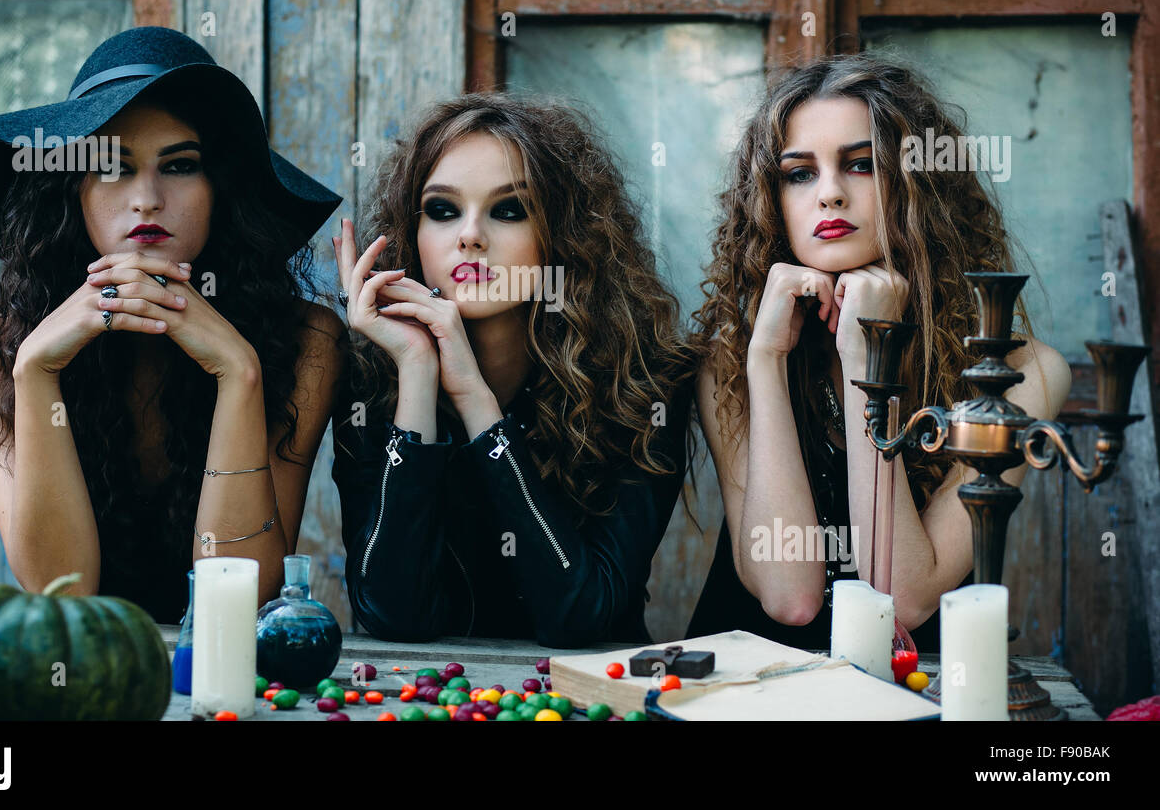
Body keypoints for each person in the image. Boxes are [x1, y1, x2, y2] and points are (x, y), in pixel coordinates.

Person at [0, 26, 344, 621]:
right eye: (112, 167)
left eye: (181, 165)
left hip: (229, 681)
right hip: (80, 681)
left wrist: (237, 372)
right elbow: (62, 592)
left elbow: (238, 596)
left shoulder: (307, 340)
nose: (146, 198)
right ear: (71, 191)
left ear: (222, 190)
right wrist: (36, 371)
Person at [687, 53, 1070, 651]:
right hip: (741, 694)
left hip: (918, 693)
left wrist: (870, 361)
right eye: (799, 174)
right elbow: (790, 599)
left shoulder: (1022, 375)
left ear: (919, 184)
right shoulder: (734, 361)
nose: (831, 195)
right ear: (772, 199)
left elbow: (902, 598)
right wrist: (764, 363)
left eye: (862, 166)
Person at [331, 93, 698, 647]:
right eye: (442, 209)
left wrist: (476, 403)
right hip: (425, 701)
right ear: (413, 233)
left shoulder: (643, 381)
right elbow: (392, 615)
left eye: (509, 210)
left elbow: (580, 615)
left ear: (565, 235)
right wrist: (416, 369)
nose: (470, 235)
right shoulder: (370, 377)